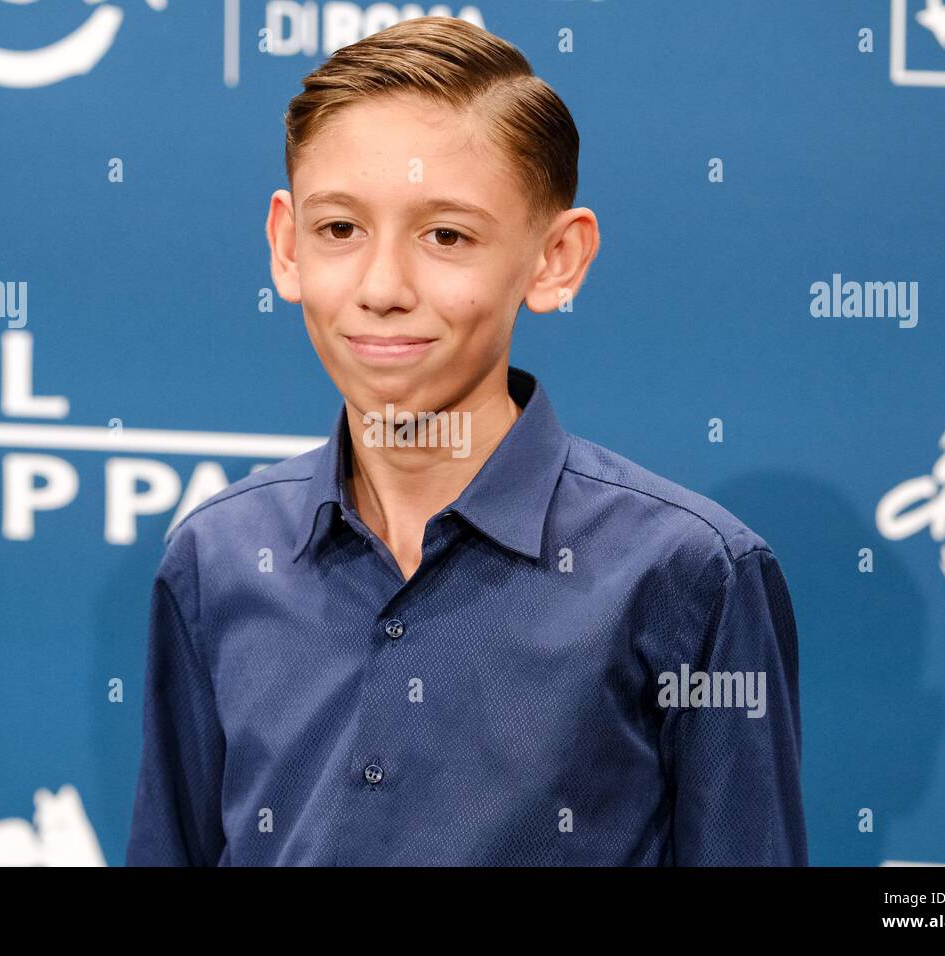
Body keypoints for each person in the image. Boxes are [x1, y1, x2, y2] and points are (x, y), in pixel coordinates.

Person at [126, 15, 806, 866]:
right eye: (340, 230)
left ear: (556, 260)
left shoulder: (687, 575)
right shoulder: (216, 556)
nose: (382, 287)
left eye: (446, 236)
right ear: (286, 245)